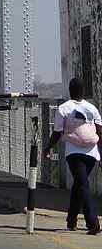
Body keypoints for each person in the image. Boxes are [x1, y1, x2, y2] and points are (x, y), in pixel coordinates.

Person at [44, 76, 102, 234]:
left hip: (74, 153)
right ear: (84, 91)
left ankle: (92, 222)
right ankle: (71, 220)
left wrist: (48, 147)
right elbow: (100, 134)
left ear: (70, 90)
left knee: (82, 185)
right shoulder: (92, 108)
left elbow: (57, 133)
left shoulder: (63, 108)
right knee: (80, 184)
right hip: (92, 154)